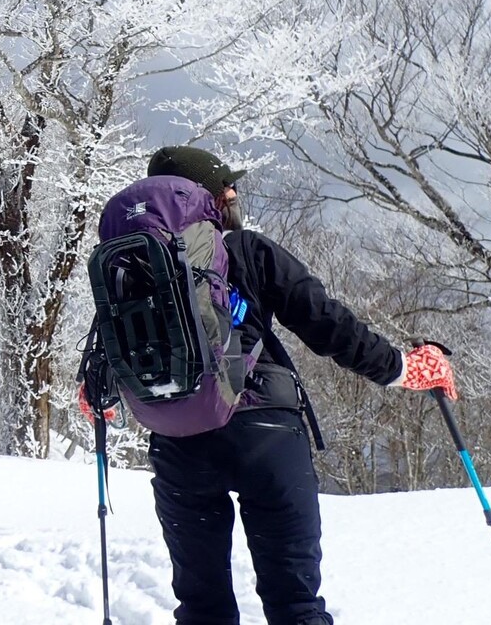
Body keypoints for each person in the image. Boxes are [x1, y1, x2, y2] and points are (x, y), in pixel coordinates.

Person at [132, 145, 457, 625]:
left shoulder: (131, 266)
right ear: (213, 198)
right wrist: (401, 367)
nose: (235, 194)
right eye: (229, 188)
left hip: (179, 445)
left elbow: (105, 357)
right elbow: (327, 323)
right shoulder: (247, 250)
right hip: (266, 434)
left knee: (202, 609)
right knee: (295, 605)